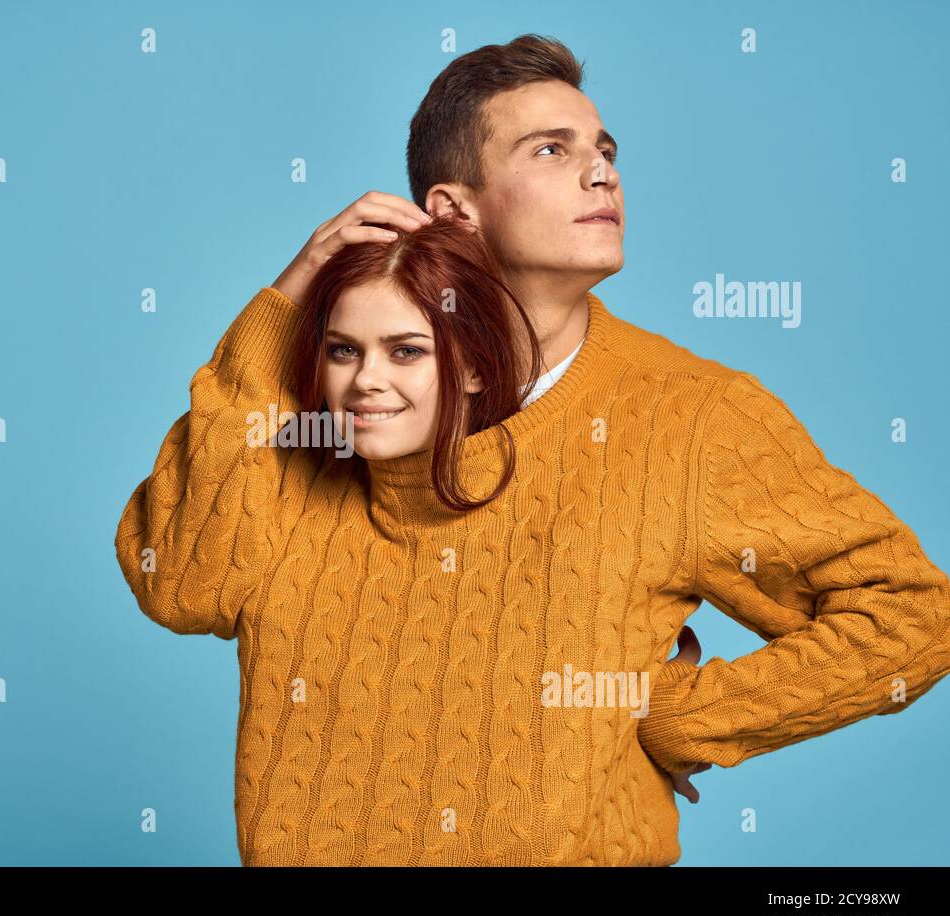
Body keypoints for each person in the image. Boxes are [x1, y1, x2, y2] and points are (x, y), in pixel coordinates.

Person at [115, 35, 950, 866]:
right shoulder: (338, 410)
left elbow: (915, 615)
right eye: (552, 149)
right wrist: (285, 301)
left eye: (605, 150)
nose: (602, 173)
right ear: (453, 210)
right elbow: (182, 583)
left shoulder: (691, 418)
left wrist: (681, 717)